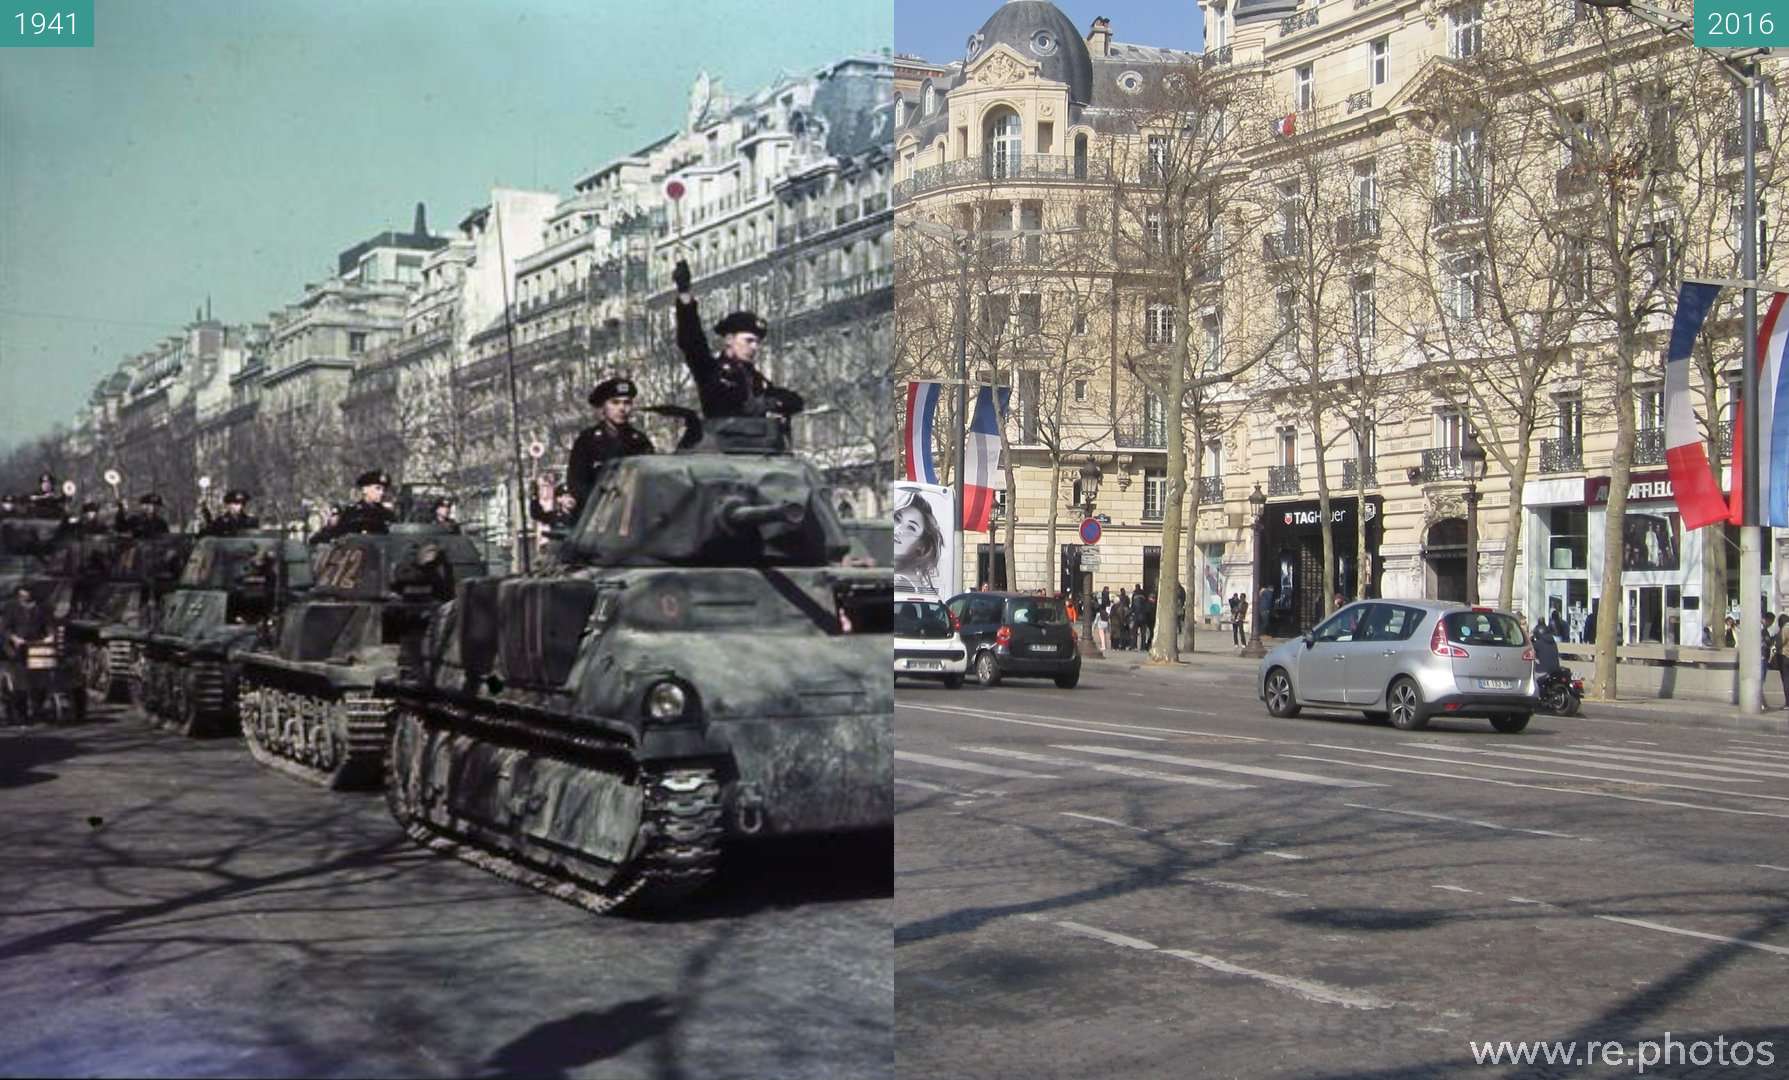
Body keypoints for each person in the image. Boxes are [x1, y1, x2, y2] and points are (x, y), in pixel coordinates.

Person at [672, 258, 803, 420]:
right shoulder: (710, 370)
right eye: (749, 341)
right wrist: (685, 295)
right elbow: (692, 339)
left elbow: (795, 401)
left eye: (757, 342)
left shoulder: (756, 379)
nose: (754, 347)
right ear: (729, 339)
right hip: (723, 442)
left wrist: (769, 404)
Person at [567, 376, 655, 507]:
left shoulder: (640, 441)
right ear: (603, 407)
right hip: (598, 514)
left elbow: (650, 480)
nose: (622, 408)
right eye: (615, 402)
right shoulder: (587, 440)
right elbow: (576, 483)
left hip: (633, 511)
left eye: (627, 403)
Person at [313, 471, 395, 543]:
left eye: (384, 490)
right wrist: (330, 526)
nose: (382, 493)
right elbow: (332, 536)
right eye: (378, 488)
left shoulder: (387, 515)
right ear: (364, 490)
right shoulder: (352, 513)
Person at [893, 490, 946, 597]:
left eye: (911, 528)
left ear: (921, 546)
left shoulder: (899, 581)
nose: (898, 529)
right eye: (897, 519)